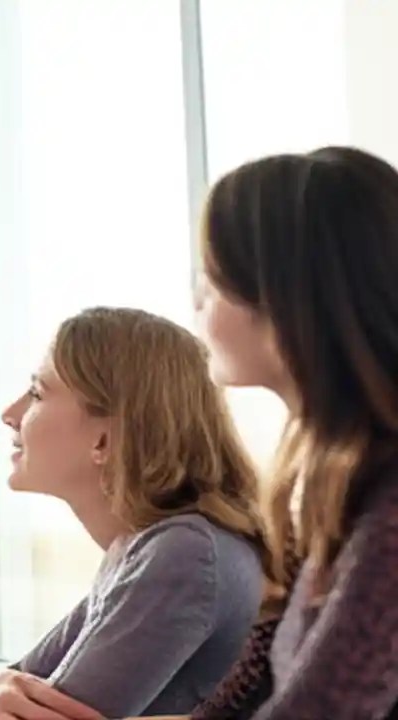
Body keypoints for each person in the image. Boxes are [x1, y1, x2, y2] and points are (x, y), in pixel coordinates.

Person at [0, 307, 270, 720]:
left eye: (37, 393)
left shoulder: (186, 552)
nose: (9, 414)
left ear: (104, 441)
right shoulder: (144, 548)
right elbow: (14, 687)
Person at [186, 146, 398, 718]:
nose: (197, 301)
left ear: (283, 299)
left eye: (212, 280)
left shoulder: (389, 502)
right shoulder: (334, 483)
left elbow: (318, 707)